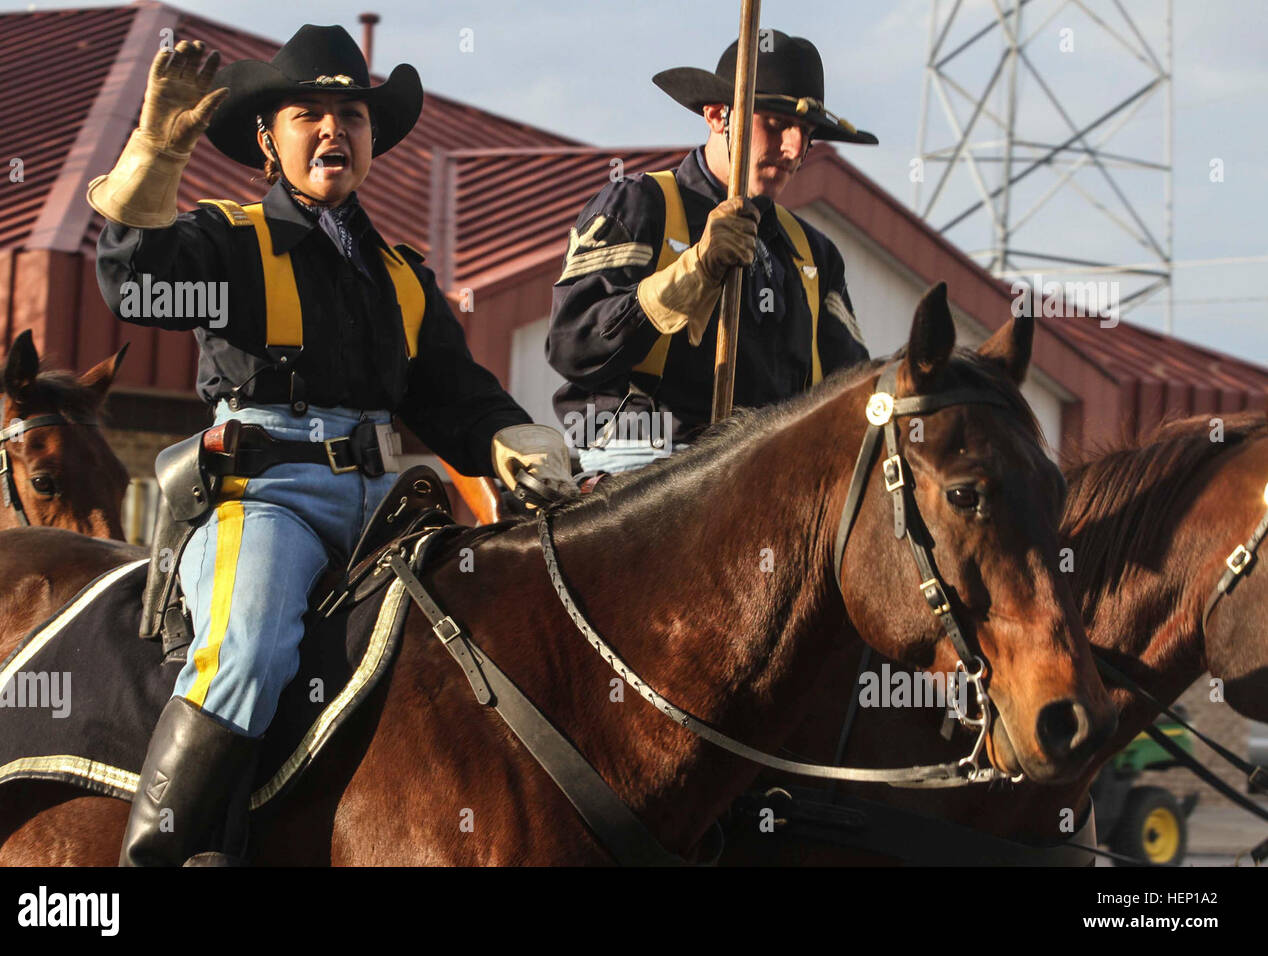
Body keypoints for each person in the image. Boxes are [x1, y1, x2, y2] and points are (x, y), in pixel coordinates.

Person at [89, 25, 573, 865]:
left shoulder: (402, 274)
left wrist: (512, 436)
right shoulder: (229, 241)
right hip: (265, 497)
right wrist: (153, 157)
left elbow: (455, 395)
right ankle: (158, 859)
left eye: (351, 114)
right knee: (247, 651)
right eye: (308, 113)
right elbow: (134, 278)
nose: (333, 131)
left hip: (388, 509)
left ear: (372, 139)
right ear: (267, 143)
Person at [547, 30, 877, 474]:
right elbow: (572, 347)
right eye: (778, 124)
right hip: (647, 461)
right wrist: (692, 273)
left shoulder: (816, 254)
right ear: (718, 116)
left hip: (769, 475)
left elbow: (851, 388)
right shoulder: (640, 205)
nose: (795, 150)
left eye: (808, 134)